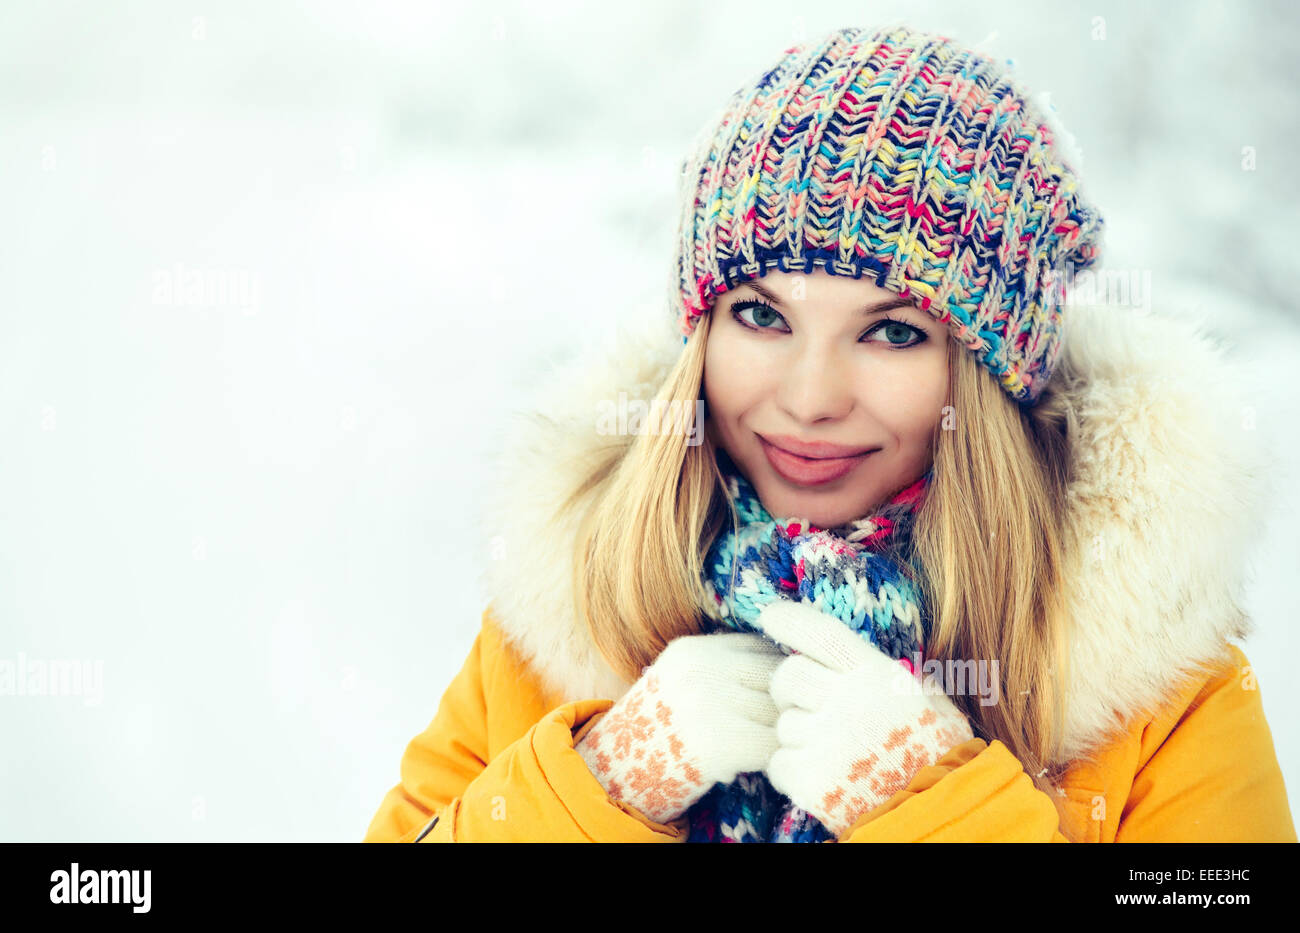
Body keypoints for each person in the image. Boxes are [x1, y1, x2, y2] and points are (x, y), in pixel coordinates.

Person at [363, 23, 1296, 842]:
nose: (810, 398)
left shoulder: (1158, 686)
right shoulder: (569, 608)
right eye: (762, 317)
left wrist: (935, 805)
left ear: (985, 373)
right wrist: (606, 783)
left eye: (892, 332)